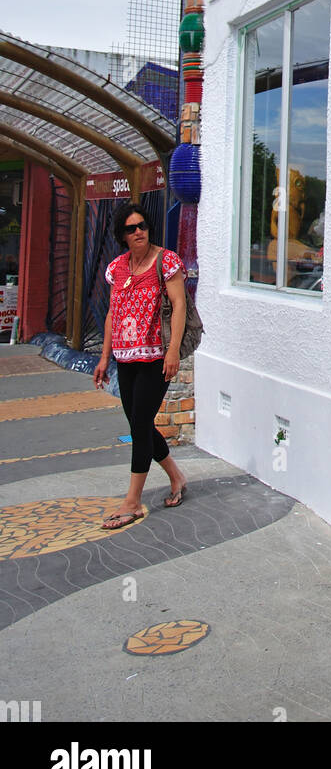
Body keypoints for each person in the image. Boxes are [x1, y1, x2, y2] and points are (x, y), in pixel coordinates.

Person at [94, 202, 188, 529]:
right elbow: (112, 314)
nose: (139, 232)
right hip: (124, 358)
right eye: (132, 229)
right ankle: (176, 477)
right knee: (140, 425)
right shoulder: (117, 268)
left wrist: (173, 351)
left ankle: (132, 502)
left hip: (155, 358)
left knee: (140, 424)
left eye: (143, 226)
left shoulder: (166, 262)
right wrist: (104, 357)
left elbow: (179, 306)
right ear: (122, 235)